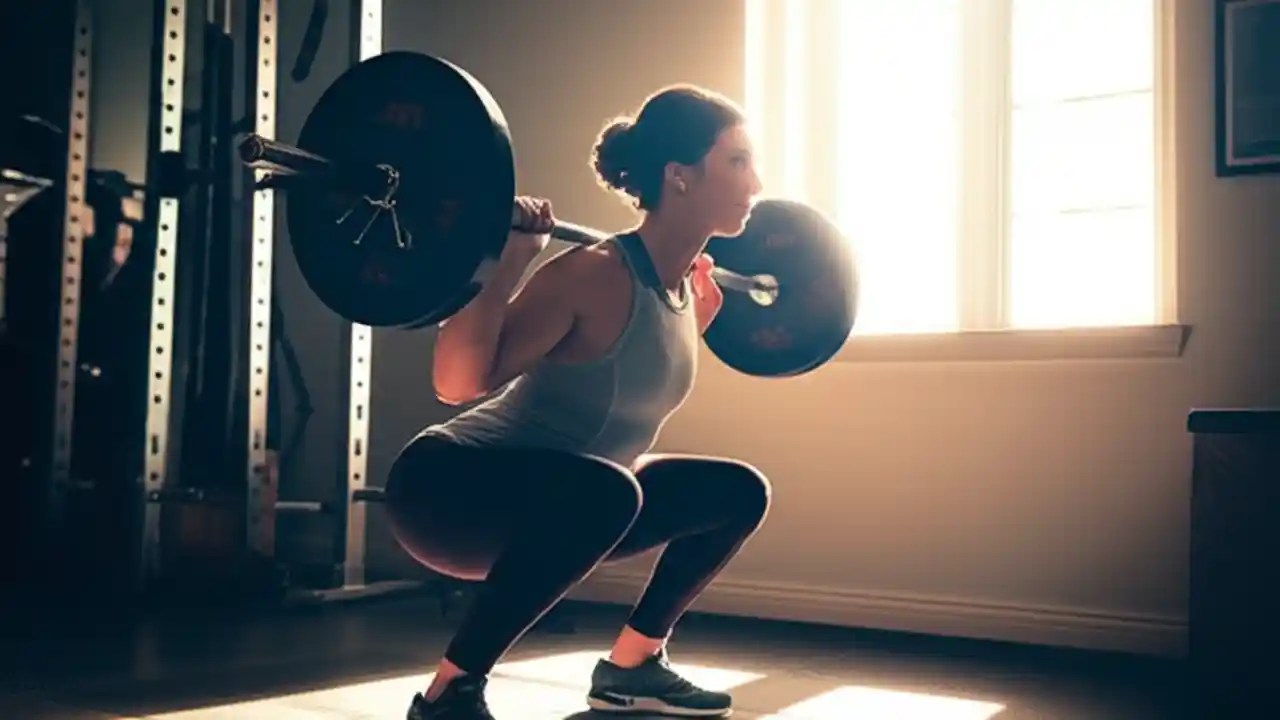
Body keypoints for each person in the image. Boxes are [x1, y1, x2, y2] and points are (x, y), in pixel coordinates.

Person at [389, 83, 770, 720]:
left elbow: (626, 391)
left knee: (738, 491)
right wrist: (505, 263)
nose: (756, 183)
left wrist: (694, 322)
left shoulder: (685, 293)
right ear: (678, 176)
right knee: (610, 489)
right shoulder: (593, 274)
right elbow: (456, 385)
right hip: (445, 490)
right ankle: (448, 694)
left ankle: (633, 666)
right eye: (738, 161)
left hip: (575, 493)